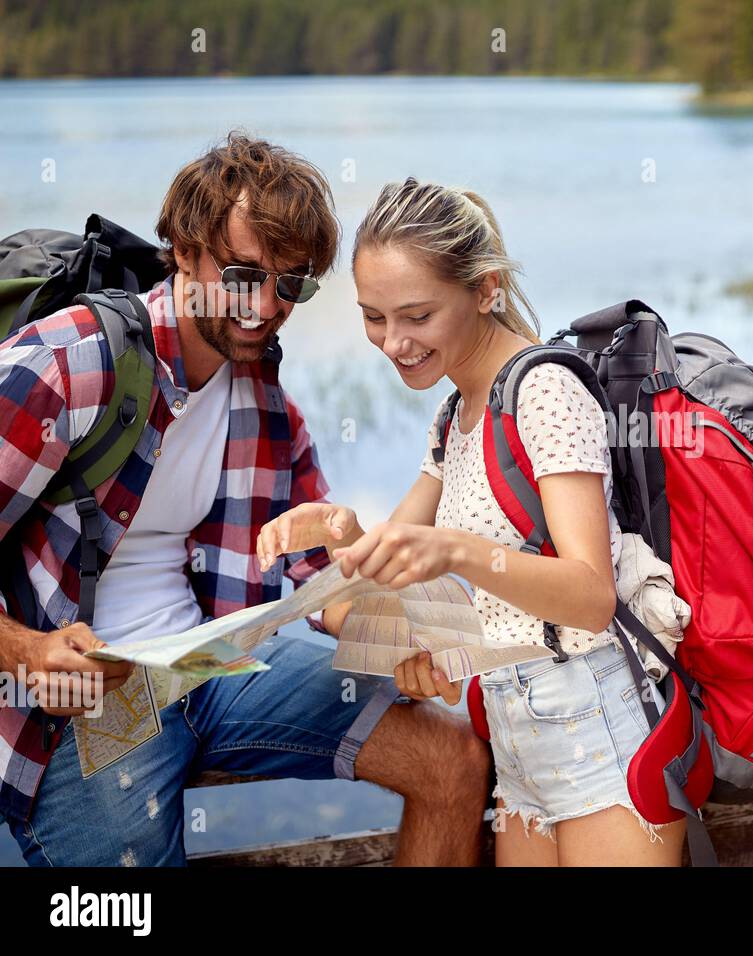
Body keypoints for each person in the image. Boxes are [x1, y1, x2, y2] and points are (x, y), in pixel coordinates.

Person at [0, 134, 489, 867]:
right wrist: (27, 650)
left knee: (450, 760)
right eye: (243, 276)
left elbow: (313, 589)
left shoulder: (264, 399)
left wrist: (411, 637)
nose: (265, 308)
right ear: (185, 253)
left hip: (213, 666)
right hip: (99, 707)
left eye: (290, 284)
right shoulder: (73, 362)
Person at [259, 178, 687, 866]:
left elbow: (589, 595)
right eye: (373, 317)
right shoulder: (453, 416)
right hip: (516, 738)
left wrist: (455, 552)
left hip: (595, 723)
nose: (393, 342)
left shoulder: (545, 390)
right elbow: (388, 586)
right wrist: (341, 533)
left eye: (416, 315)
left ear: (485, 289)